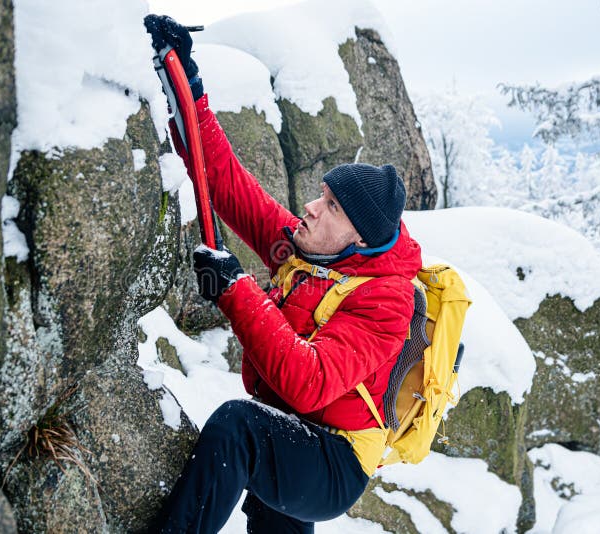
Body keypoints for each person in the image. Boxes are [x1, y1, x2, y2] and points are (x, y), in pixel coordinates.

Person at [144, 15, 422, 534]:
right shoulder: (310, 252)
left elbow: (309, 382)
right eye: (322, 194)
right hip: (297, 429)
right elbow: (227, 185)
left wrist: (234, 290)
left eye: (332, 206)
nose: (313, 208)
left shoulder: (388, 302)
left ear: (360, 237)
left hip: (334, 461)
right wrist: (188, 89)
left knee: (237, 430)